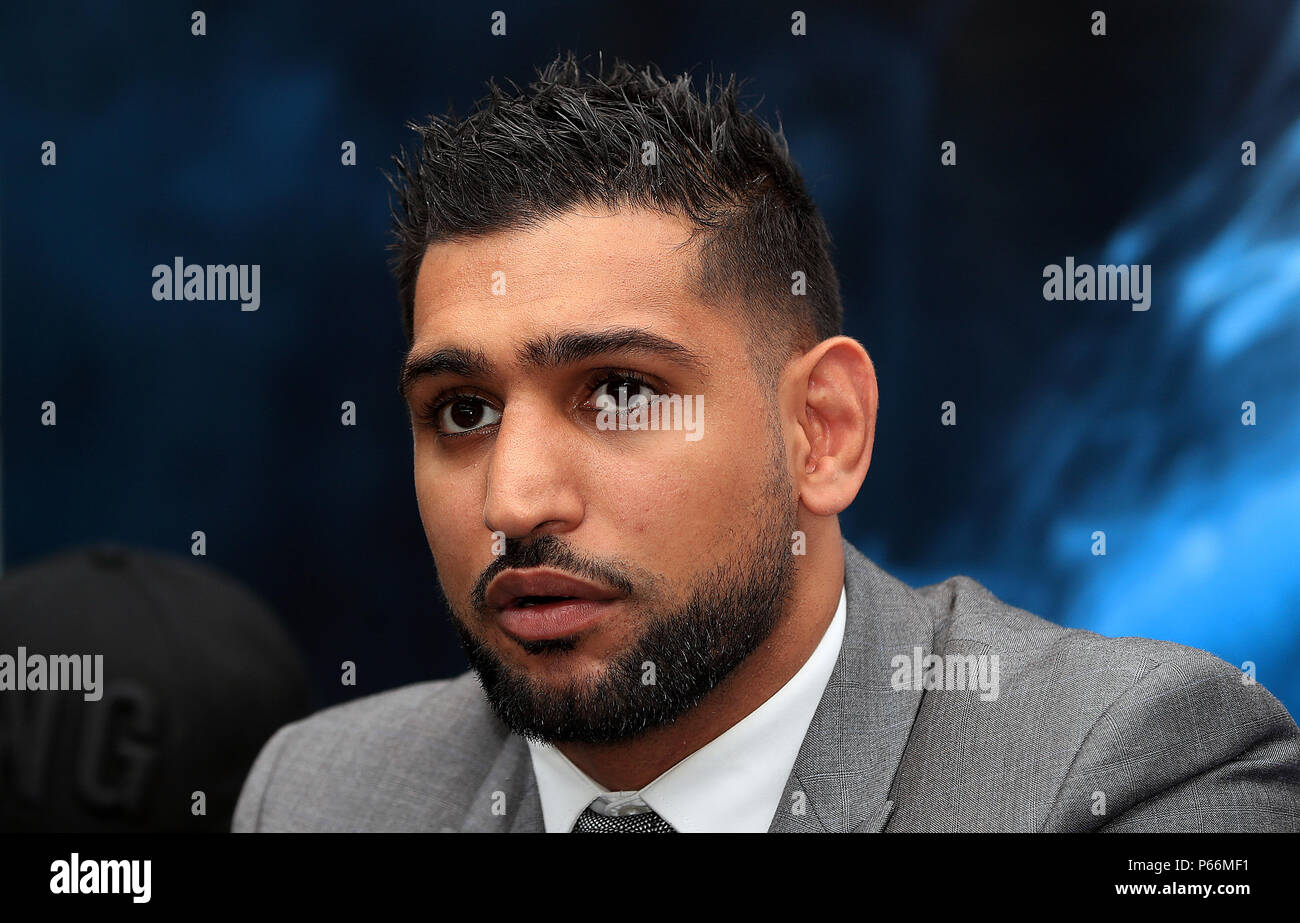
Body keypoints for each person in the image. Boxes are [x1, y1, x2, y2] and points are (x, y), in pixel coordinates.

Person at [232, 53, 1300, 833]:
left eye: (617, 391)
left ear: (821, 431)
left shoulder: (1137, 766)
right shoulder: (317, 791)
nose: (513, 500)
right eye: (462, 410)